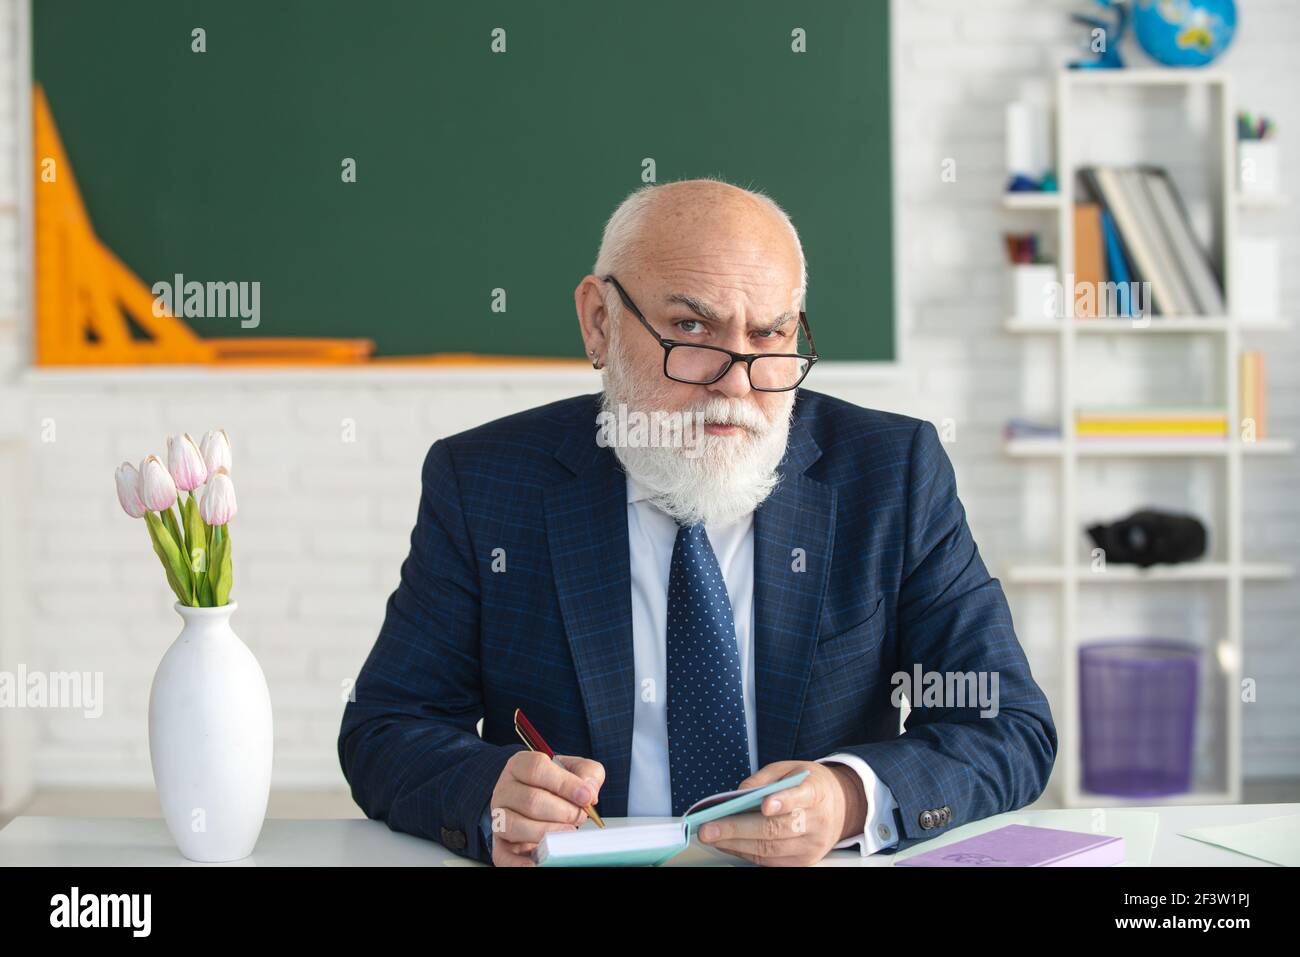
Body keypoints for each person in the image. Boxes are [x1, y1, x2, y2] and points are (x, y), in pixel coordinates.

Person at [338, 178, 1056, 866]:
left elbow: (1006, 723)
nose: (736, 382)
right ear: (599, 323)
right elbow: (386, 728)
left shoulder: (891, 472)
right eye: (691, 327)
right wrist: (486, 790)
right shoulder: (486, 483)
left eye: (770, 335)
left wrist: (848, 798)